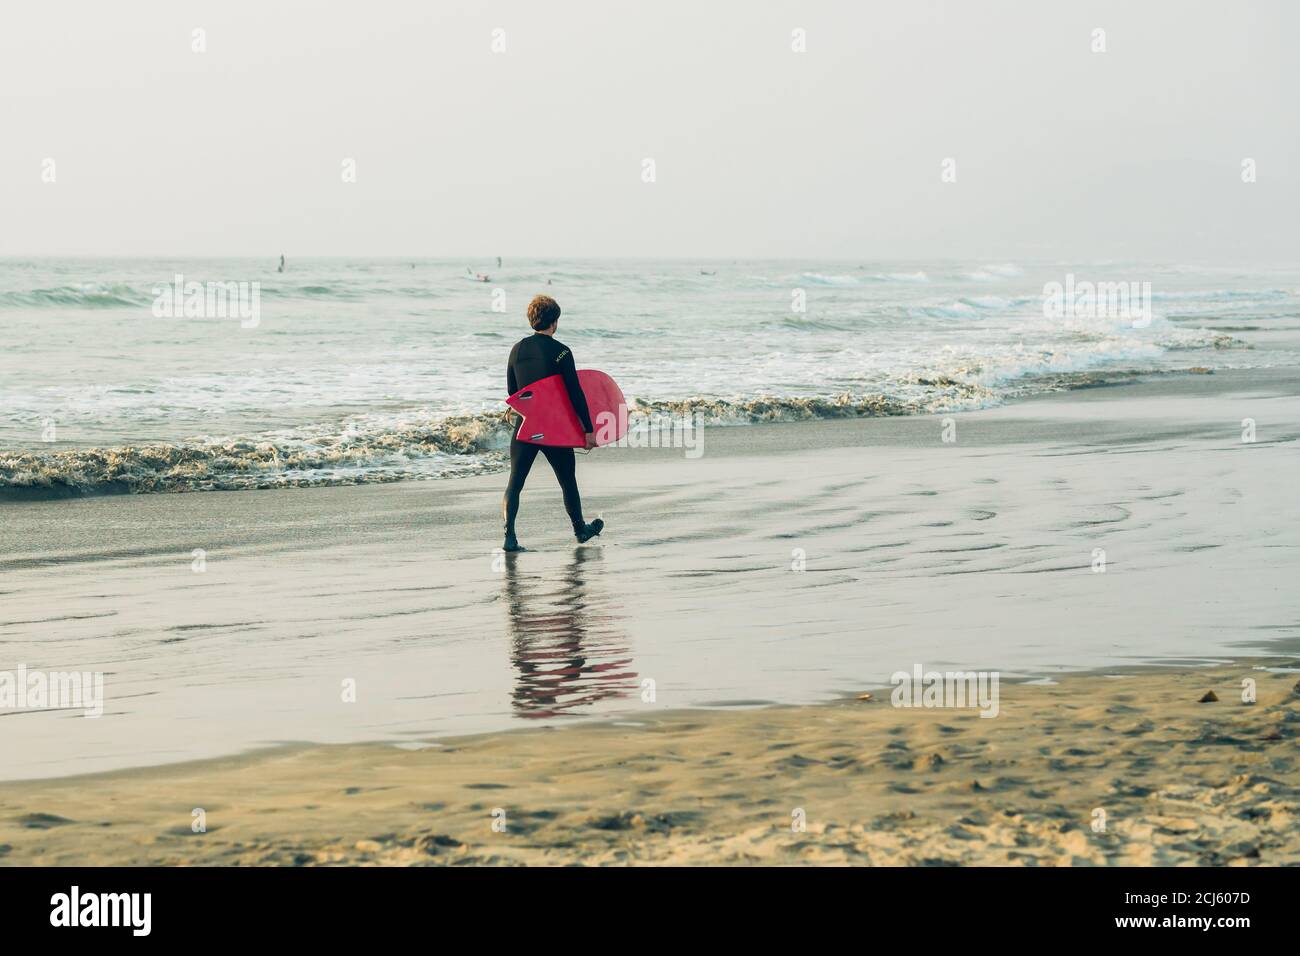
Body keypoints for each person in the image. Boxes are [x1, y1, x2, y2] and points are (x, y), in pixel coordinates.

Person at [502, 295, 604, 553]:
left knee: (515, 482)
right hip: (553, 428)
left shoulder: (517, 349)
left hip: (525, 426)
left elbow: (513, 392)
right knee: (567, 480)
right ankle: (580, 530)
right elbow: (575, 392)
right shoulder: (561, 351)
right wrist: (588, 430)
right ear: (555, 321)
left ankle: (509, 538)